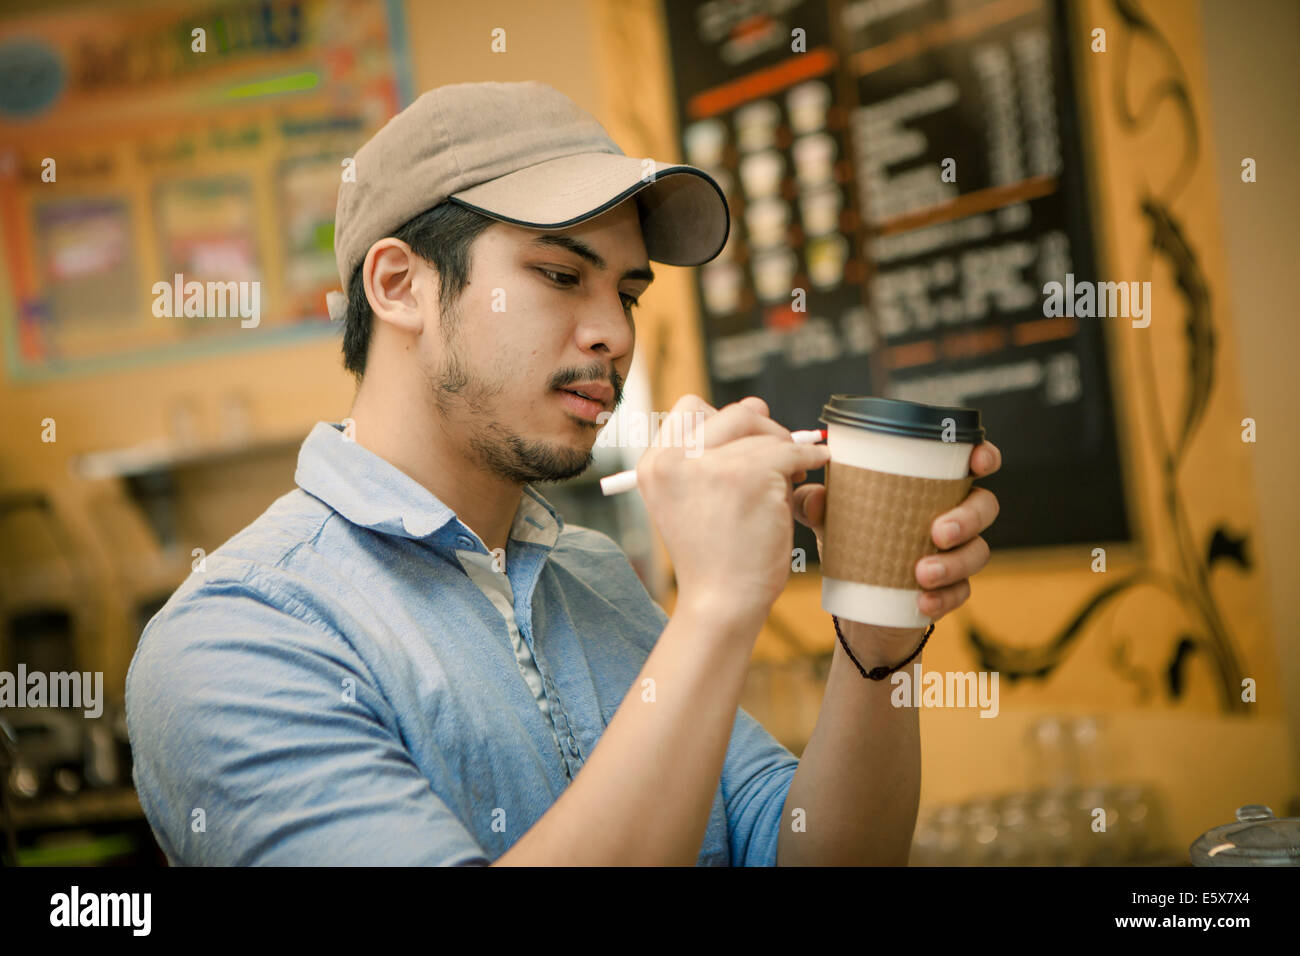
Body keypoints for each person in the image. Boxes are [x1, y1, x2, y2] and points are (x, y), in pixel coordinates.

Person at [125, 80, 1001, 865]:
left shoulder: (595, 578)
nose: (615, 335)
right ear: (399, 287)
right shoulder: (237, 640)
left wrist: (877, 643)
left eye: (626, 292)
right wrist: (719, 606)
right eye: (557, 273)